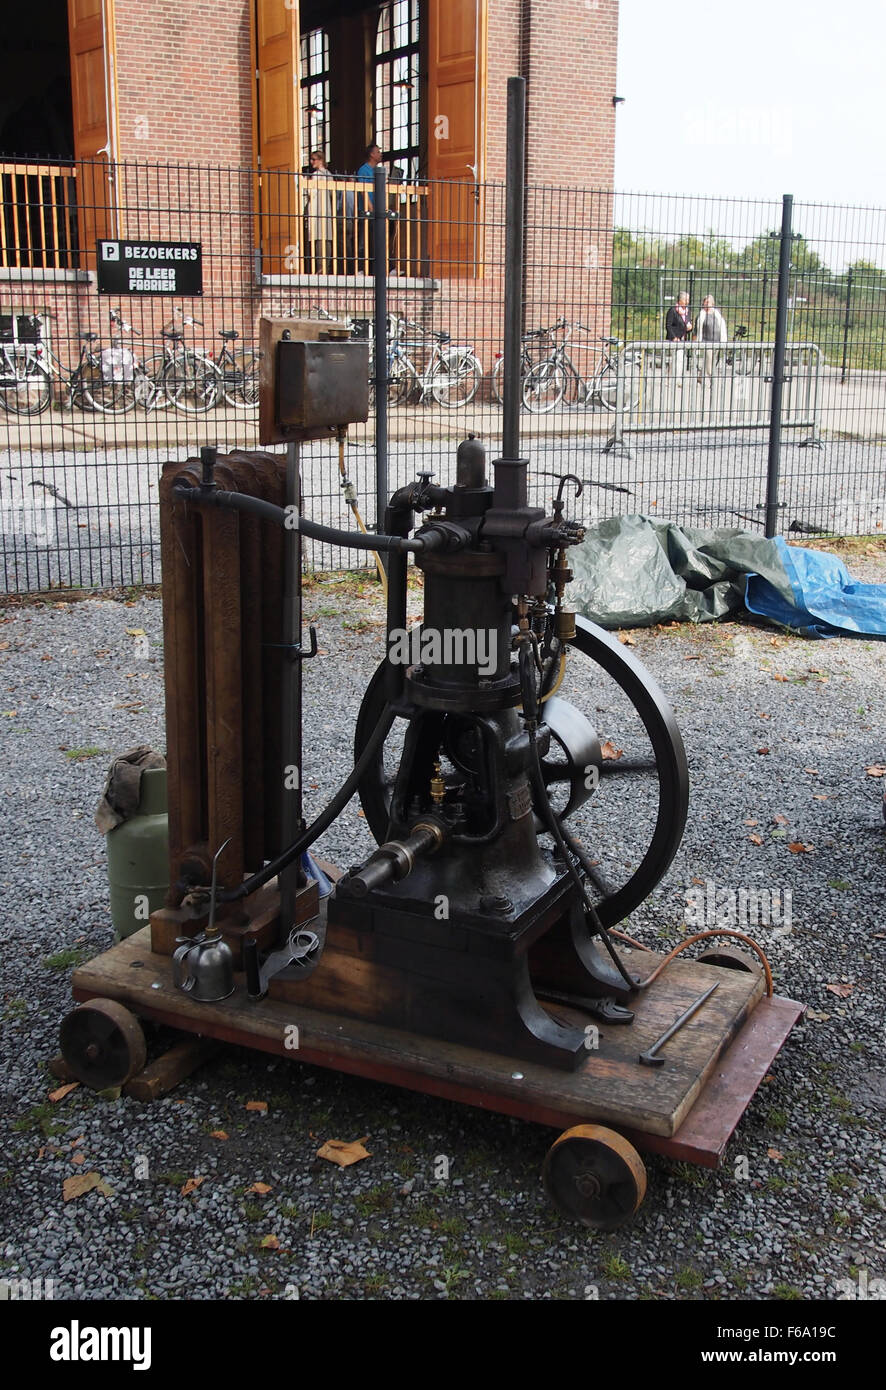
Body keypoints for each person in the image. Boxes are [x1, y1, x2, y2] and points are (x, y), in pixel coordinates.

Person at [304, 150, 334, 273]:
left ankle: (320, 268)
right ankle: (325, 266)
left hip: (318, 210)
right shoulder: (329, 175)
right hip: (325, 210)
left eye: (314, 159)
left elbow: (311, 193)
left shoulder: (317, 175)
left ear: (320, 160)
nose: (311, 162)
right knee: (325, 238)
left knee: (319, 239)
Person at [695, 295, 728, 381]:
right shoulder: (701, 314)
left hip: (717, 341)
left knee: (711, 360)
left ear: (713, 303)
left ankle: (700, 377)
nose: (707, 303)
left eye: (708, 302)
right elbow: (696, 330)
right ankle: (712, 379)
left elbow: (722, 326)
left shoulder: (717, 313)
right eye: (705, 301)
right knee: (709, 361)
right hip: (706, 341)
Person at [665, 291, 692, 377]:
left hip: (683, 338)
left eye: (688, 299)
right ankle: (675, 378)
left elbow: (687, 324)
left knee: (679, 359)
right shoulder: (673, 310)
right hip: (675, 339)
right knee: (677, 359)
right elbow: (668, 325)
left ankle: (673, 377)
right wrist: (673, 337)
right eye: (686, 299)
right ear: (680, 300)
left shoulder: (687, 311)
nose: (687, 301)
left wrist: (689, 328)